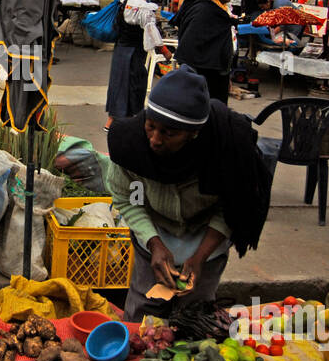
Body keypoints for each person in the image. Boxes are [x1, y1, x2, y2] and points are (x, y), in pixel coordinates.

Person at [107, 66, 272, 321]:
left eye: (169, 133)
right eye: (150, 126)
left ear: (193, 134)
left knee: (195, 317)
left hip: (205, 236)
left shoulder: (228, 150)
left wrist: (199, 258)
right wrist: (154, 243)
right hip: (154, 229)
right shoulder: (131, 146)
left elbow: (232, 207)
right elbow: (130, 199)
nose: (155, 139)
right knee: (142, 310)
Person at [104, 0, 170, 129]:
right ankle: (129, 120)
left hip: (121, 48)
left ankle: (113, 120)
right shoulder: (142, 7)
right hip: (133, 51)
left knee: (119, 83)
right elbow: (151, 30)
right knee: (134, 84)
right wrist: (164, 50)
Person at [174, 0, 238, 106]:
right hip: (203, 84)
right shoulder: (204, 12)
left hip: (214, 80)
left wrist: (225, 75)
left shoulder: (215, 9)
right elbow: (189, 52)